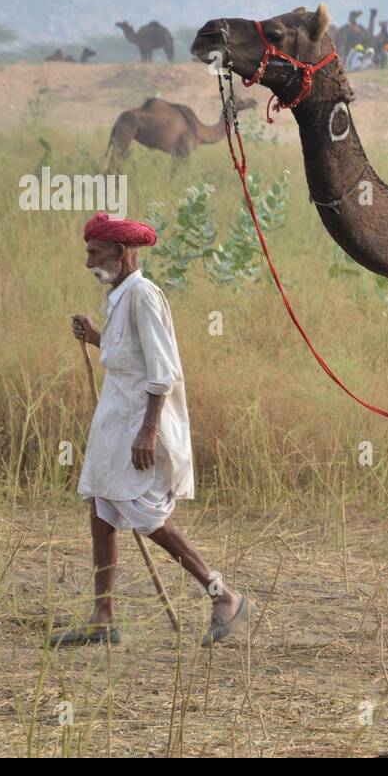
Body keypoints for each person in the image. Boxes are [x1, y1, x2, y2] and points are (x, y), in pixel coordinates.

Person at [52, 213, 249, 646]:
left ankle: (224, 594)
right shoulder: (121, 295)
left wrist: (148, 431)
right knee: (102, 511)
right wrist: (96, 337)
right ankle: (102, 617)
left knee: (147, 518)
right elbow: (132, 355)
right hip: (117, 423)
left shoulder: (144, 295)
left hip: (141, 428)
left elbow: (163, 370)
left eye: (94, 253)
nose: (88, 263)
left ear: (121, 254)